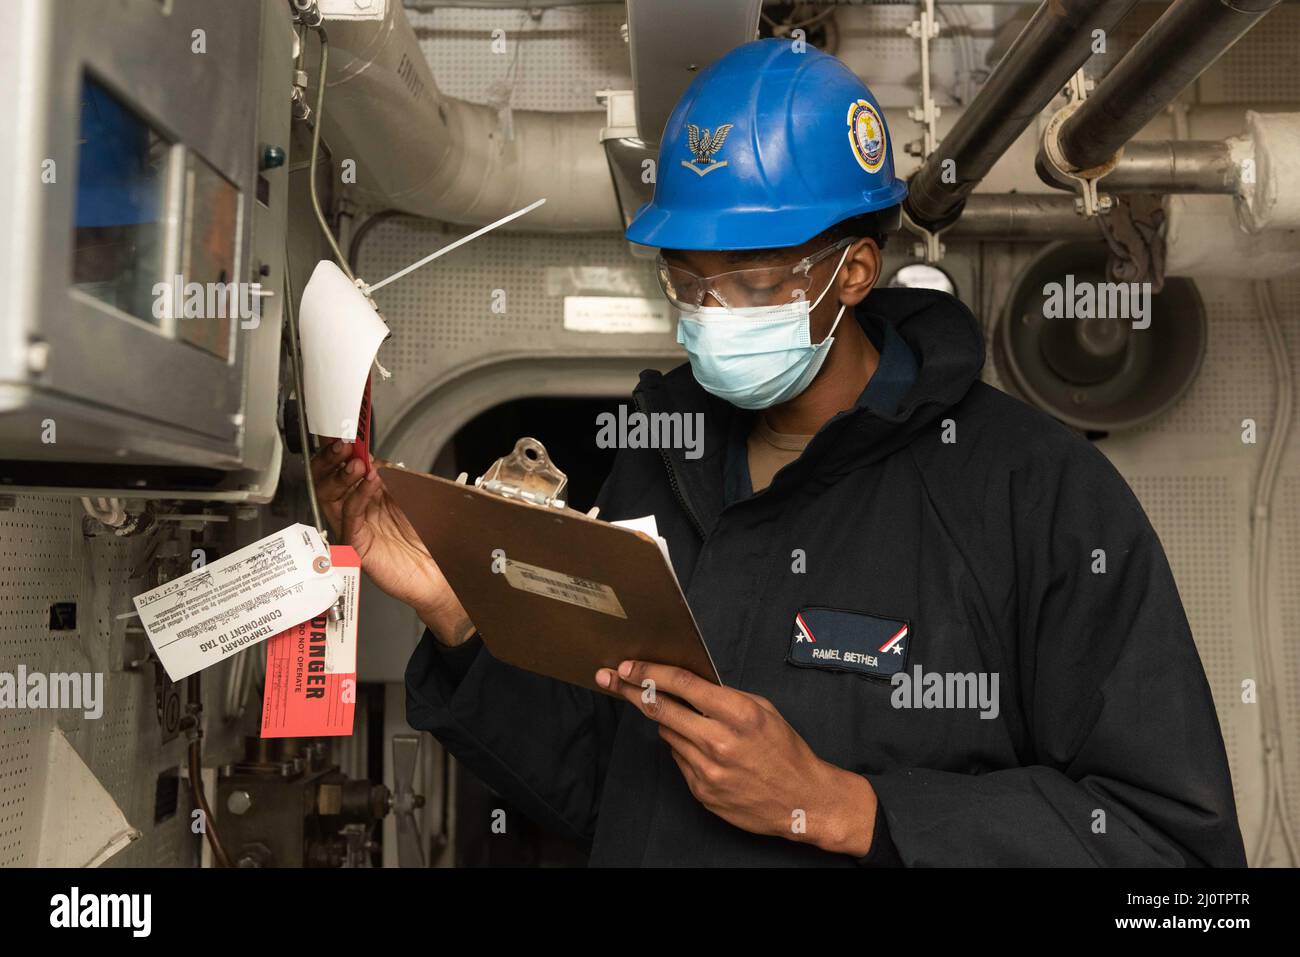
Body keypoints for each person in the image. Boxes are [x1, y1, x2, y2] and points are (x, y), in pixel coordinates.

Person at [313, 38, 1246, 866]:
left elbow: (1177, 855)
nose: (710, 317)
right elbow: (606, 791)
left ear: (853, 273)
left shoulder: (1033, 496)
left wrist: (852, 809)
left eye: (752, 281)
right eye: (688, 283)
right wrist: (462, 616)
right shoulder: (662, 460)